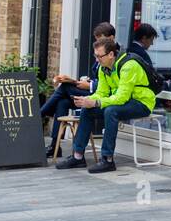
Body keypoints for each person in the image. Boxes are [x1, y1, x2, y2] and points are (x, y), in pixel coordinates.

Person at [56, 36, 155, 174]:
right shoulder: (103, 68)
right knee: (88, 110)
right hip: (121, 102)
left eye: (99, 56)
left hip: (141, 103)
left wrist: (96, 102)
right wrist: (87, 100)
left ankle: (107, 160)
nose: (97, 60)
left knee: (110, 111)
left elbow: (121, 97)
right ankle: (77, 156)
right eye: (95, 56)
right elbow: (102, 92)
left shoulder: (129, 65)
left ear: (111, 54)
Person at [40, 22, 115, 158]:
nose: (98, 43)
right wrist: (82, 82)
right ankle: (54, 145)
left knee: (65, 87)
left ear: (111, 38)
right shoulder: (101, 53)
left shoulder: (113, 55)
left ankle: (40, 114)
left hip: (103, 96)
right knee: (62, 102)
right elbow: (101, 78)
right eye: (97, 40)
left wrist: (90, 85)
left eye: (101, 39)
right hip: (95, 90)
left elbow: (113, 84)